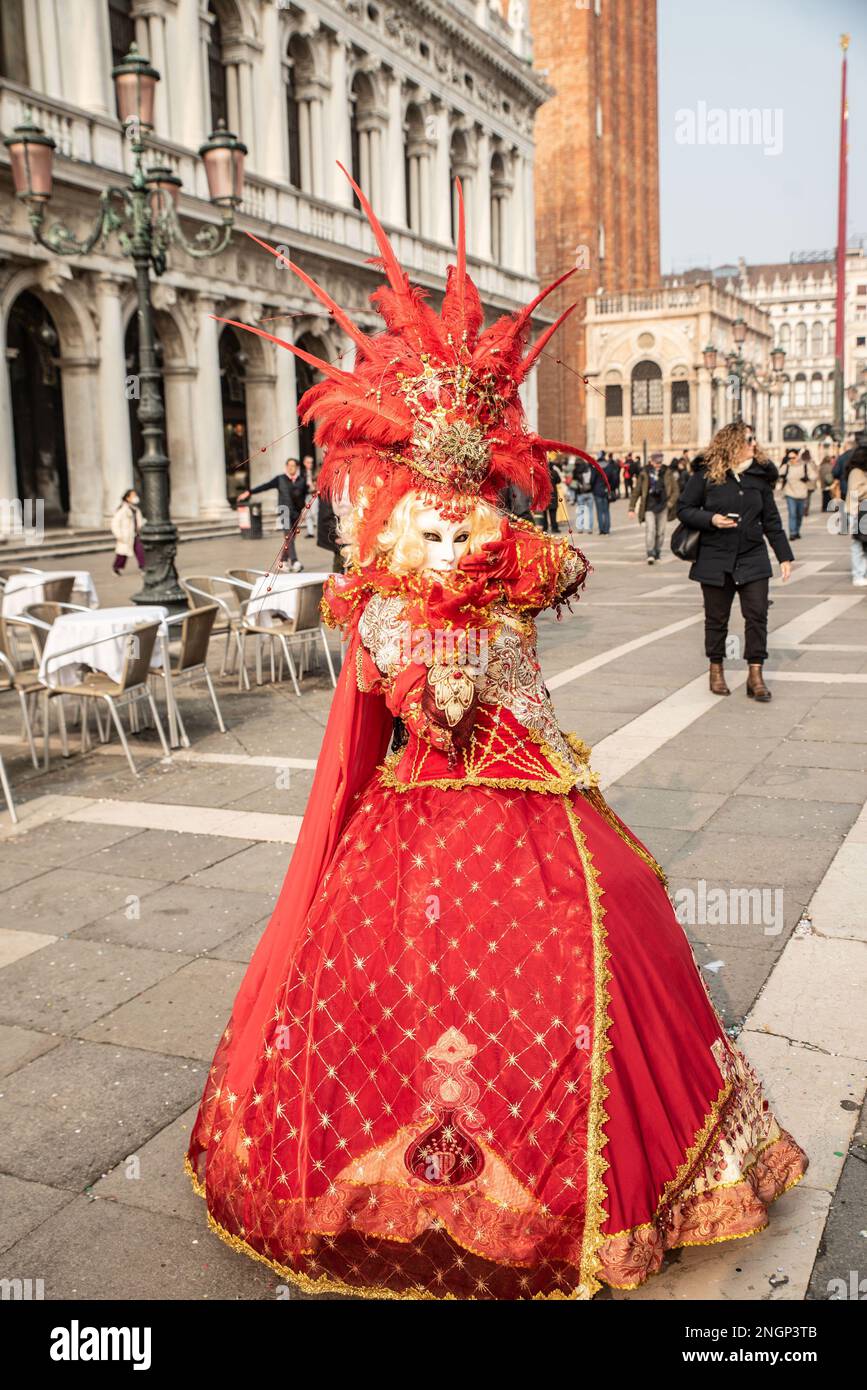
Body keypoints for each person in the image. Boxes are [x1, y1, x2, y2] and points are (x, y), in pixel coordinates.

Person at [185, 170, 807, 1301]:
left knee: (587, 936)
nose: (463, 484)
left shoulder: (471, 552)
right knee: (491, 955)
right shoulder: (399, 562)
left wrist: (463, 630)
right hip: (459, 787)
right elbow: (416, 678)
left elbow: (520, 602)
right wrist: (440, 651)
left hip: (513, 781)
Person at [677, 421, 793, 701]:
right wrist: (712, 519)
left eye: (754, 439)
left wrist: (784, 556)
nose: (753, 444)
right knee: (716, 619)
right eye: (747, 439)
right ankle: (716, 669)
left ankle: (756, 674)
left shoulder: (759, 478)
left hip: (753, 558)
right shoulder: (706, 476)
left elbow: (772, 521)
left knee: (757, 616)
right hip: (715, 558)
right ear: (731, 444)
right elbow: (684, 509)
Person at [238, 457, 309, 572]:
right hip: (284, 510)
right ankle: (295, 561)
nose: (291, 468)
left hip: (297, 512)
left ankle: (283, 561)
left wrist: (305, 509)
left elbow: (304, 496)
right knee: (288, 536)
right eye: (289, 466)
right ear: (286, 467)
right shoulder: (280, 479)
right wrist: (249, 492)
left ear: (297, 468)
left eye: (293, 466)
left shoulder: (302, 480)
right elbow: (265, 486)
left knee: (291, 538)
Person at [630, 453, 679, 563]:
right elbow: (636, 491)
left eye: (660, 462)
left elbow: (676, 490)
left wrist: (670, 503)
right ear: (651, 462)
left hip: (663, 507)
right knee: (651, 530)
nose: (658, 465)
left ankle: (657, 551)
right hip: (649, 507)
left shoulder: (667, 472)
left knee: (660, 532)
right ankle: (650, 553)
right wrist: (631, 508)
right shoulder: (644, 473)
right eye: (656, 462)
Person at [779, 447, 818, 540]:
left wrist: (807, 478)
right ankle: (792, 532)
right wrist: (783, 474)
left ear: (797, 456)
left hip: (802, 493)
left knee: (799, 514)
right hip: (790, 492)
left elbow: (814, 475)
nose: (791, 460)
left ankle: (797, 530)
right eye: (789, 458)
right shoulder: (786, 466)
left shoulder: (804, 466)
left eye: (793, 457)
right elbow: (779, 474)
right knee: (792, 513)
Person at [843, 443, 867, 587]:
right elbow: (855, 492)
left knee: (863, 544)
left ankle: (862, 572)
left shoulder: (860, 471)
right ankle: (858, 574)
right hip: (857, 511)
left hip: (861, 511)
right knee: (858, 544)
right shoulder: (856, 472)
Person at [110, 487, 146, 574]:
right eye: (133, 496)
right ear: (127, 498)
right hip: (125, 536)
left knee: (140, 551)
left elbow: (139, 521)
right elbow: (114, 523)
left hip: (136, 535)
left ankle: (144, 567)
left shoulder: (136, 509)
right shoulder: (122, 510)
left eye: (135, 495)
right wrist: (119, 535)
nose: (135, 497)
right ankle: (116, 568)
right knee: (122, 554)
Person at [571, 453, 595, 533]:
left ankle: (580, 528)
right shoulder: (588, 468)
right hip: (589, 492)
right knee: (590, 511)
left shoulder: (575, 470)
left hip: (580, 493)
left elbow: (574, 483)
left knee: (580, 510)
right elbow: (592, 480)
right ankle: (589, 528)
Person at [302, 453, 318, 537]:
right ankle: (310, 532)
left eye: (311, 462)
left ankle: (320, 531)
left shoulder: (315, 472)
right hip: (305, 495)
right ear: (304, 463)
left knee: (315, 513)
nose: (310, 464)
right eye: (308, 462)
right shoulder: (302, 473)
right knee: (307, 514)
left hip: (313, 494)